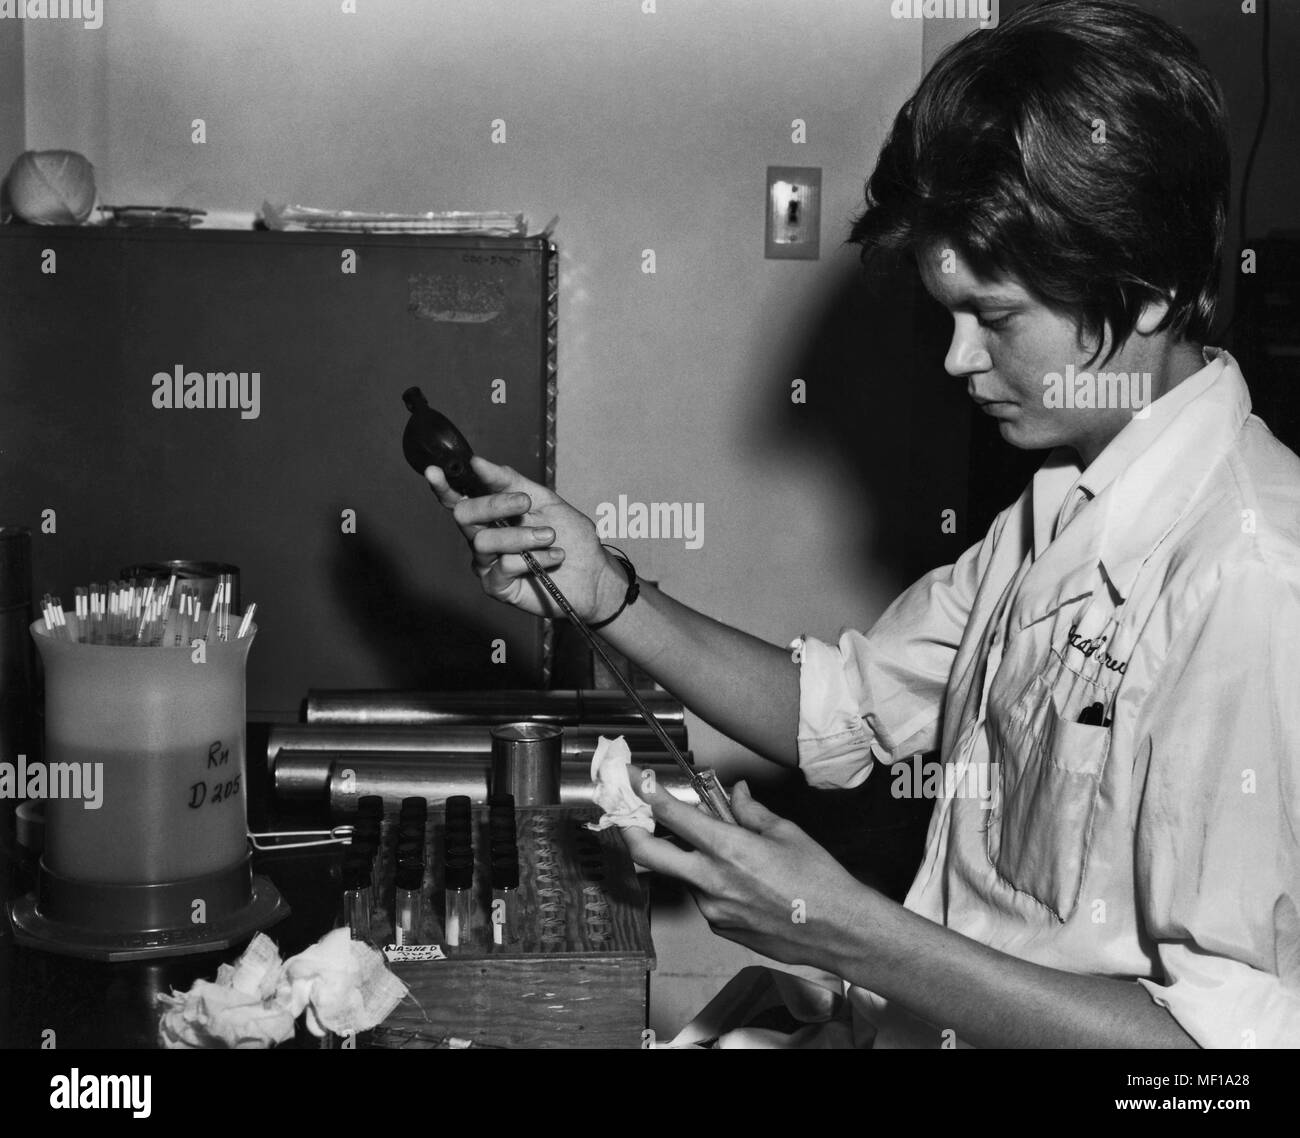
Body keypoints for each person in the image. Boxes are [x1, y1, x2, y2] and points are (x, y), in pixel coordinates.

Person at [424, 0, 1300, 1048]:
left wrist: (849, 933)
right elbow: (840, 708)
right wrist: (604, 591)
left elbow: (1210, 1065)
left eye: (998, 316)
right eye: (948, 314)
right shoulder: (1070, 499)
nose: (957, 361)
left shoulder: (1250, 582)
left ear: (1150, 290)